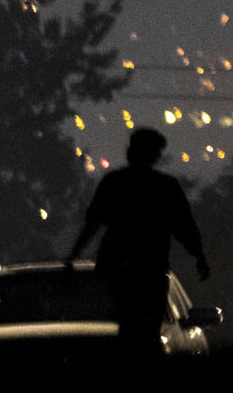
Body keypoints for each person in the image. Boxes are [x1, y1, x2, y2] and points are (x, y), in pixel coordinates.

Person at [68, 128, 210, 356]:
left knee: (128, 324)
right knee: (147, 327)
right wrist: (199, 256)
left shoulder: (115, 183)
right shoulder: (164, 187)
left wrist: (74, 255)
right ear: (155, 155)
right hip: (149, 269)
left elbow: (93, 224)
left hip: (120, 268)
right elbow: (184, 228)